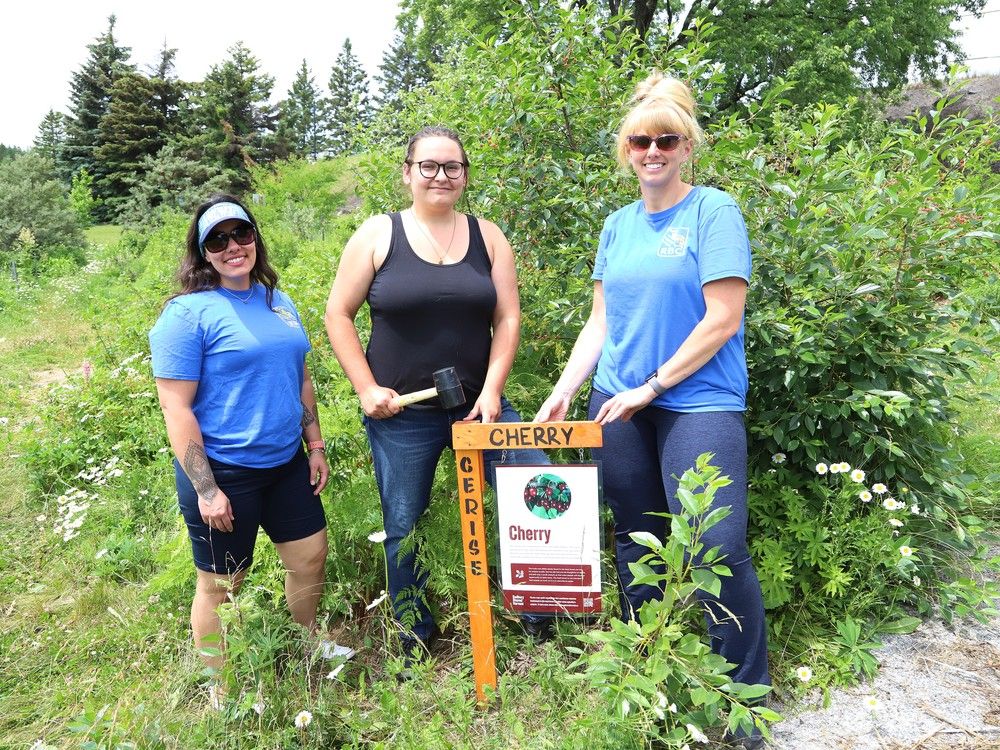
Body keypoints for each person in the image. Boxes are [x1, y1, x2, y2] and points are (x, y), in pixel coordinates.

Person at [535, 73, 769, 745]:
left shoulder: (713, 213)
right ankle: (648, 674)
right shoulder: (617, 226)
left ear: (687, 146)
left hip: (695, 399)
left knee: (713, 543)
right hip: (619, 400)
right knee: (635, 532)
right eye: (641, 140)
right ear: (626, 150)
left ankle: (742, 702)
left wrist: (653, 386)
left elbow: (723, 318)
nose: (653, 150)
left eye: (667, 139)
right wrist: (567, 386)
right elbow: (601, 321)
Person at [324, 126, 551, 660]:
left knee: (537, 490)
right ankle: (414, 630)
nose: (441, 176)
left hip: (480, 405)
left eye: (452, 166)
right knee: (404, 524)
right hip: (402, 413)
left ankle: (543, 608)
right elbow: (338, 314)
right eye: (428, 166)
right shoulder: (379, 234)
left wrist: (494, 389)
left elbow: (509, 316)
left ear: (465, 175)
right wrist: (366, 388)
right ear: (407, 173)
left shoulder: (488, 236)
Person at [149, 195, 331, 696]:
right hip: (224, 472)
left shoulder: (278, 301)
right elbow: (176, 408)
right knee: (222, 584)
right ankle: (220, 687)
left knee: (310, 557)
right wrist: (206, 489)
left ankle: (305, 646)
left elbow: (300, 376)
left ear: (256, 239)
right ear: (203, 252)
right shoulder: (186, 315)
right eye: (219, 239)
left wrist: (314, 443)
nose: (233, 246)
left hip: (287, 463)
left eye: (241, 234)